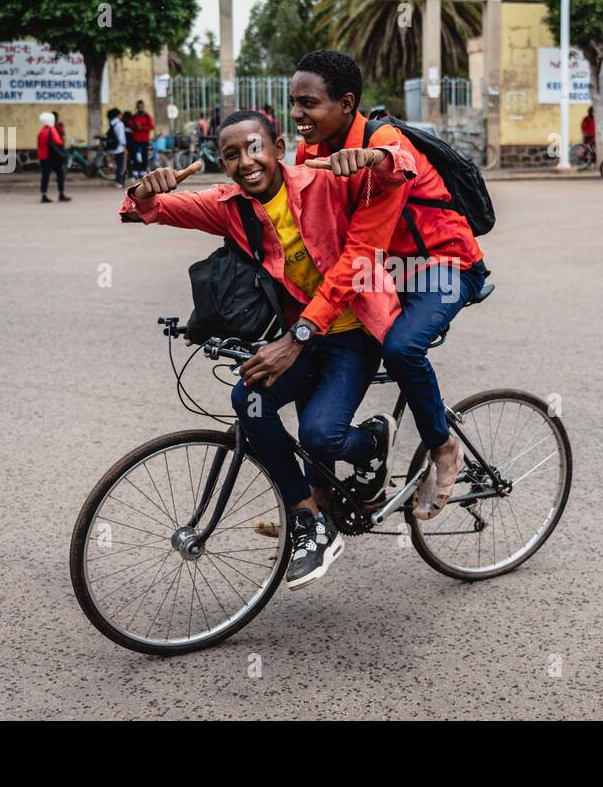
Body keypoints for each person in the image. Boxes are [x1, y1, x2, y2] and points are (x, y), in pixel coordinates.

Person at [119, 109, 414, 589]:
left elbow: (397, 171)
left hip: (354, 331)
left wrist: (373, 156)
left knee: (320, 436)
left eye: (254, 147)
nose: (245, 162)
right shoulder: (229, 204)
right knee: (247, 397)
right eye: (230, 155)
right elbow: (147, 211)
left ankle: (371, 442)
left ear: (278, 148)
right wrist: (146, 191)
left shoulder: (322, 184)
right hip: (304, 335)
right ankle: (307, 520)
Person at [290, 50, 487, 520]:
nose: (297, 114)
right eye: (293, 101)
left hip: (445, 265)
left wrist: (371, 158)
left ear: (346, 103)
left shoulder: (383, 138)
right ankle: (327, 497)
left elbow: (397, 162)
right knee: (318, 351)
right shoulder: (308, 151)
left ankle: (442, 446)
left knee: (401, 349)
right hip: (383, 271)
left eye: (309, 103)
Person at [36, 111, 70, 203]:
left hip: (43, 157)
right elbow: (59, 142)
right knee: (60, 175)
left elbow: (39, 144)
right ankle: (61, 194)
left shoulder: (41, 131)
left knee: (45, 177)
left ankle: (44, 195)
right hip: (54, 158)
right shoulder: (52, 130)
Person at [128, 100, 154, 174]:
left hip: (144, 139)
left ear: (143, 107)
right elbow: (131, 126)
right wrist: (135, 127)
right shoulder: (134, 116)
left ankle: (143, 169)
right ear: (137, 107)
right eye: (139, 107)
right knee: (135, 154)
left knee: (144, 154)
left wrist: (142, 127)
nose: (140, 108)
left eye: (141, 107)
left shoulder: (147, 116)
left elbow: (151, 127)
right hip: (136, 138)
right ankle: (136, 169)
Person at [104, 108, 127, 187]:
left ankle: (117, 182)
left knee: (116, 165)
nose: (121, 116)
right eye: (120, 114)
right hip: (119, 148)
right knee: (121, 165)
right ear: (117, 115)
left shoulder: (111, 123)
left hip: (112, 147)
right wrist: (125, 147)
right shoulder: (120, 124)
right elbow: (121, 137)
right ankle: (119, 182)